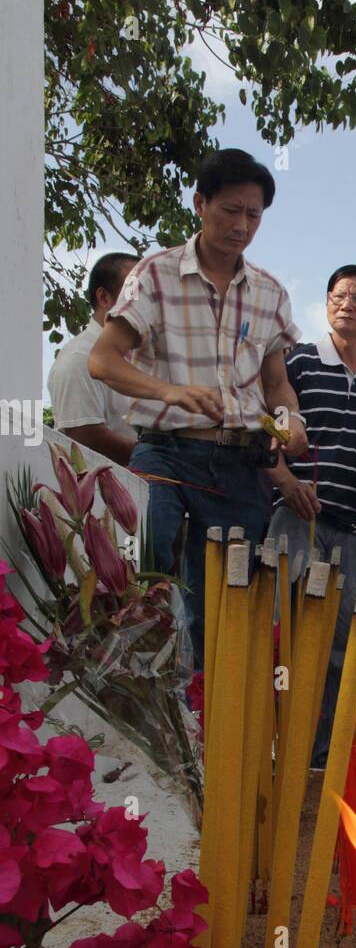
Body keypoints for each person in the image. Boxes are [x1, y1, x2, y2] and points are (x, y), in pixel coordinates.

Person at [89, 148, 306, 668]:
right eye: (231, 210)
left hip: (237, 463)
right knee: (150, 561)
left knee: (226, 599)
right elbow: (102, 359)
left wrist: (290, 421)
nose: (242, 226)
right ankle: (130, 679)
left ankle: (206, 719)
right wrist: (169, 391)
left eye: (254, 215)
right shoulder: (155, 274)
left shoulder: (271, 292)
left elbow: (277, 382)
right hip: (162, 452)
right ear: (200, 203)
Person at [268, 264, 356, 767]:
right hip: (295, 518)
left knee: (342, 649)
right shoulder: (296, 363)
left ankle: (316, 761)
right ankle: (265, 746)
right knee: (278, 633)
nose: (347, 305)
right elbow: (269, 429)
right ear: (326, 303)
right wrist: (287, 483)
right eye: (339, 295)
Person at [48, 253, 139, 464]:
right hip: (107, 493)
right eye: (134, 291)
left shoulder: (143, 355)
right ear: (104, 298)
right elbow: (85, 436)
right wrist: (158, 460)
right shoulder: (78, 359)